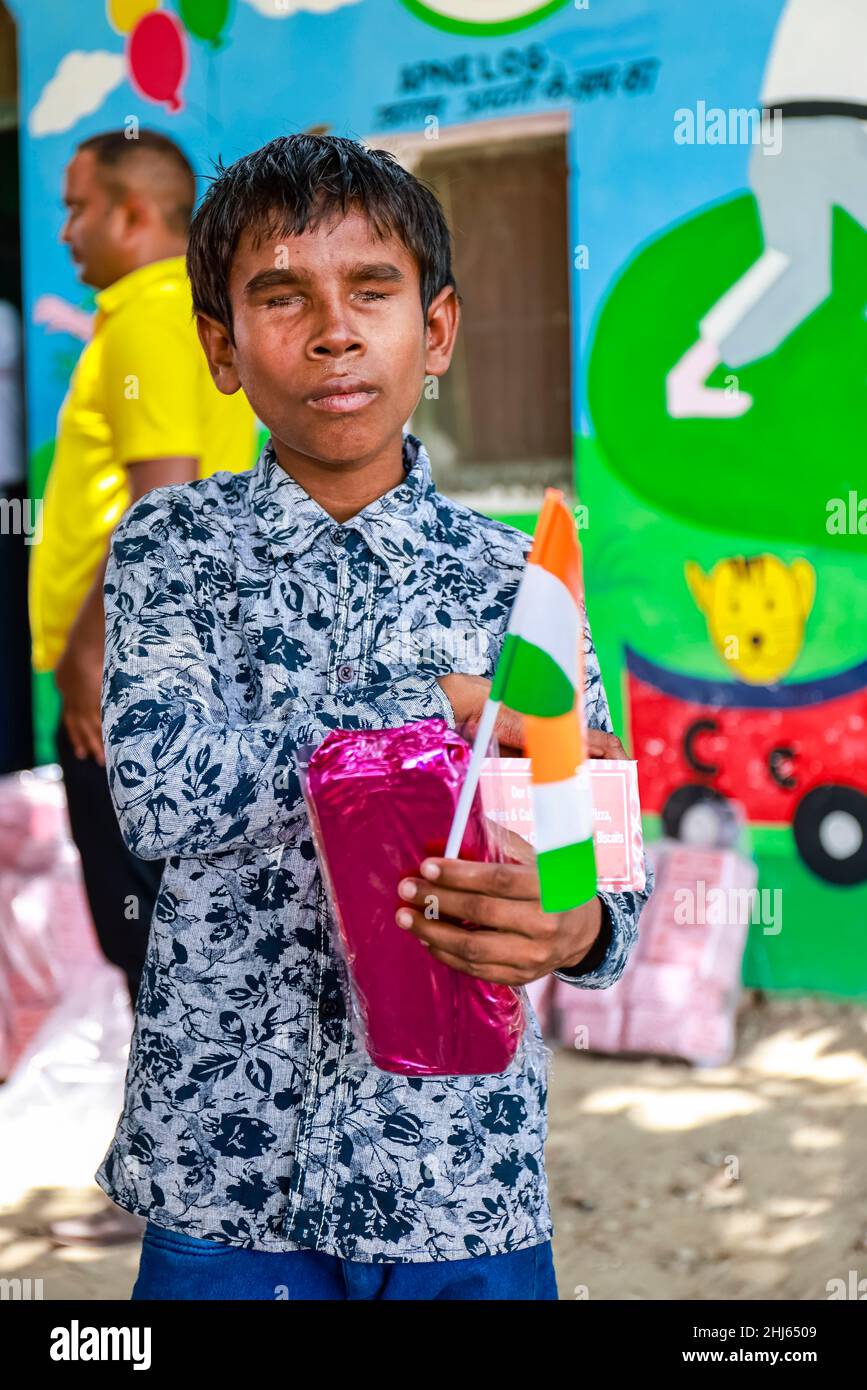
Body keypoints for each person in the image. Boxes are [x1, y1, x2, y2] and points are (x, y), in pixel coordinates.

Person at [94, 134, 651, 1300]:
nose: (333, 331)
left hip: (459, 1170)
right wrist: (426, 707)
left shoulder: (521, 579)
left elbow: (607, 874)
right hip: (223, 1177)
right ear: (221, 347)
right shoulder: (174, 546)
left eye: (373, 292)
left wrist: (577, 927)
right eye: (282, 296)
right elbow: (156, 791)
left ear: (435, 331)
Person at [28, 129, 257, 1245]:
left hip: (131, 687)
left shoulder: (155, 318)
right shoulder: (154, 318)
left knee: (158, 934)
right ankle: (174, 1182)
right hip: (140, 680)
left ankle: (186, 1197)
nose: (60, 230)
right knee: (155, 934)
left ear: (131, 215)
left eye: (75, 208)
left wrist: (86, 654)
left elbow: (160, 506)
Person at [667, 0, 867, 418]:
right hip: (828, 128)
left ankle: (688, 376)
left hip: (793, 130)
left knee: (802, 269)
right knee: (801, 267)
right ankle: (687, 379)